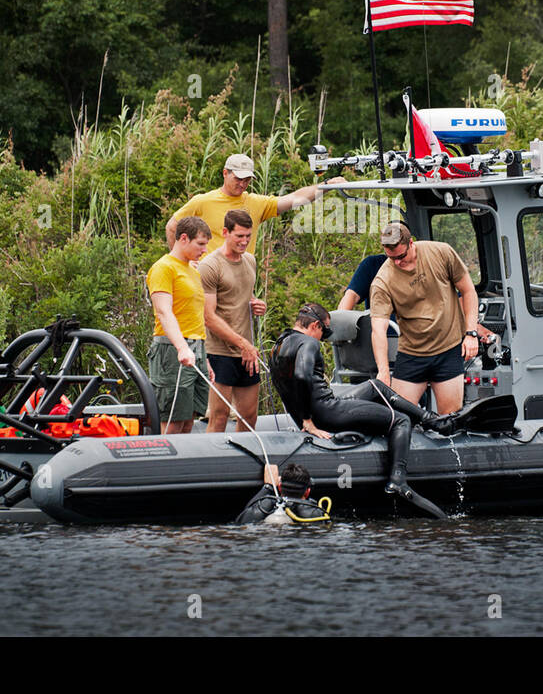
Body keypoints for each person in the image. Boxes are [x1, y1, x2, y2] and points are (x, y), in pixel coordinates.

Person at [270, 303, 475, 519]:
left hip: (322, 408)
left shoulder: (280, 345)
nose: (324, 337)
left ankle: (431, 420)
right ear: (314, 326)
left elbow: (291, 385)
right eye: (326, 331)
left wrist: (303, 417)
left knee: (376, 386)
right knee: (401, 421)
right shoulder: (308, 343)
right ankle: (398, 480)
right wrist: (307, 421)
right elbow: (302, 375)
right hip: (327, 413)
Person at [369, 222, 481, 415]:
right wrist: (383, 370)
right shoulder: (382, 281)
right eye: (391, 258)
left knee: (450, 417)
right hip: (412, 354)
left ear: (411, 243)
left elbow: (468, 290)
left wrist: (470, 333)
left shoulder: (440, 252)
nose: (397, 262)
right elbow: (378, 329)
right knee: (399, 418)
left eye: (401, 256)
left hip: (448, 348)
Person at [165, 153, 346, 254]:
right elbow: (172, 226)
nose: (242, 184)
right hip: (207, 281)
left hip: (240, 281)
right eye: (238, 178)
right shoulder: (202, 201)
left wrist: (326, 186)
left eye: (247, 180)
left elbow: (294, 199)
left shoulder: (256, 202)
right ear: (225, 173)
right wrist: (182, 263)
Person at [200, 209, 265, 433]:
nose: (245, 241)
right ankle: (211, 465)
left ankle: (243, 464)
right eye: (239, 236)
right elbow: (208, 317)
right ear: (225, 232)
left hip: (246, 350)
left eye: (248, 236)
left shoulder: (250, 260)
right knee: (220, 417)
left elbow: (241, 296)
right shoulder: (210, 265)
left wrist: (256, 304)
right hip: (220, 351)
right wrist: (243, 344)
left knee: (249, 416)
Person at [146, 215, 212, 434]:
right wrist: (182, 347)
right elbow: (164, 311)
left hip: (197, 349)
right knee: (173, 419)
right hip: (172, 350)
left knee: (190, 417)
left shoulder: (193, 271)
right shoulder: (163, 268)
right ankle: (164, 465)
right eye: (200, 244)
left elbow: (195, 316)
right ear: (184, 238)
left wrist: (205, 356)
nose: (204, 250)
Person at [234, 463, 330, 525]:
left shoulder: (265, 506)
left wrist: (268, 486)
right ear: (307, 491)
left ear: (279, 487)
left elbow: (241, 521)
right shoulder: (316, 514)